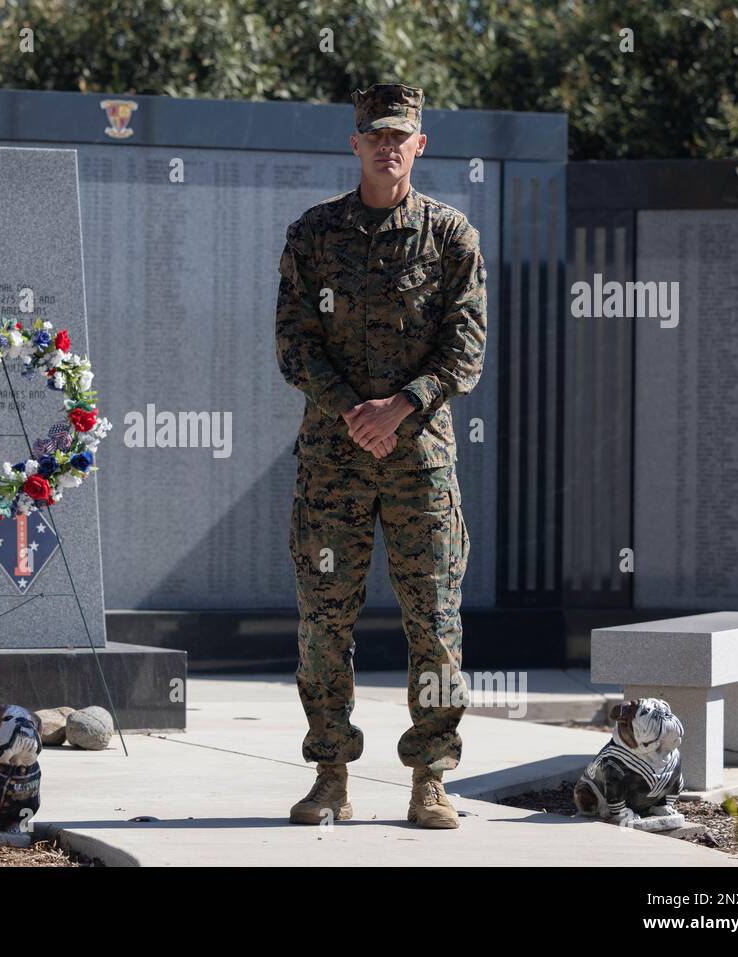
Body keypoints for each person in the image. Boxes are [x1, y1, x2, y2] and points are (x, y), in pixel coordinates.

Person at [274, 82, 487, 829]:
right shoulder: (313, 235)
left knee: (435, 618)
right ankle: (329, 773)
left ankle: (431, 774)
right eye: (376, 135)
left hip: (418, 459)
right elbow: (293, 346)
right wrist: (352, 411)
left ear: (420, 145)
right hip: (334, 461)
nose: (389, 146)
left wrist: (399, 406)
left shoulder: (450, 235)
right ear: (356, 143)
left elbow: (465, 348)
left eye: (402, 135)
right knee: (324, 617)